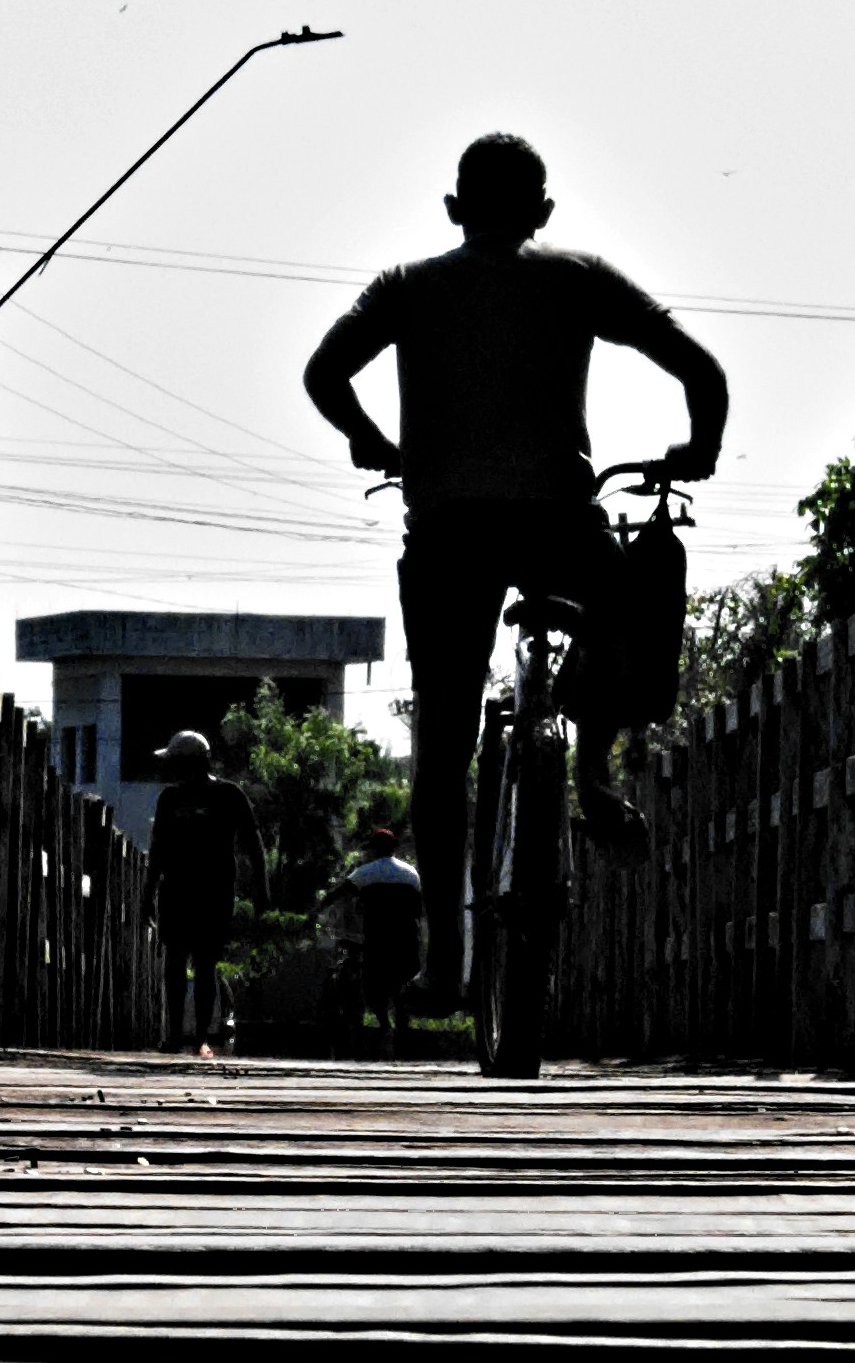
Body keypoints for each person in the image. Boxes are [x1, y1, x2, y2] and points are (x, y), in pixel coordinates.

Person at [301, 133, 727, 1003]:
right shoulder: (580, 276)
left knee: (447, 738)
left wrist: (374, 442)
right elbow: (702, 370)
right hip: (558, 526)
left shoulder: (406, 287)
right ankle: (598, 769)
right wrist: (699, 450)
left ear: (455, 210)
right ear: (542, 213)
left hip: (449, 530)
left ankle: (446, 963)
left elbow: (322, 373)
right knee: (619, 610)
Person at [143, 728, 262, 1054]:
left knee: (202, 964)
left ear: (186, 763)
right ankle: (180, 1035)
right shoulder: (172, 798)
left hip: (208, 892)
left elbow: (253, 843)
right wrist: (147, 894)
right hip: (186, 891)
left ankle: (195, 1038)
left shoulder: (227, 795)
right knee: (181, 963)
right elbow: (159, 850)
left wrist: (262, 890)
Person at [333, 816, 427, 1054]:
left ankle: (385, 1025)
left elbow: (339, 893)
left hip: (379, 942)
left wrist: (314, 913)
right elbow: (419, 910)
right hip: (407, 941)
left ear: (375, 850)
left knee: (373, 989)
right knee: (401, 987)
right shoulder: (410, 874)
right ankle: (403, 1031)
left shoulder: (366, 873)